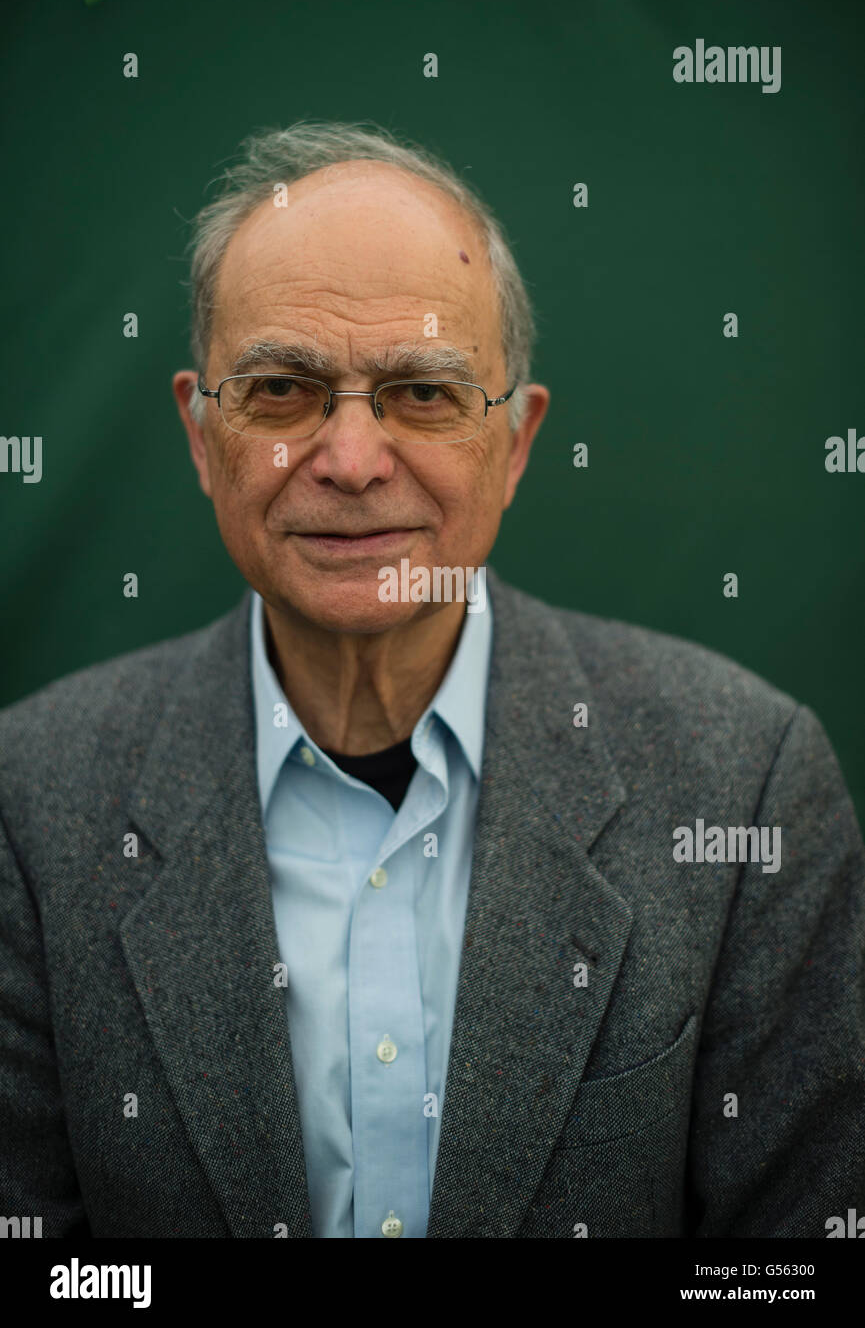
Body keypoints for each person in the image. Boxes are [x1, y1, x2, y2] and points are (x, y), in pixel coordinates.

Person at [1, 121, 862, 1239]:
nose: (352, 461)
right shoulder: (32, 799)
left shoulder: (742, 781)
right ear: (202, 433)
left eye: (421, 393)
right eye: (280, 388)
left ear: (513, 446)